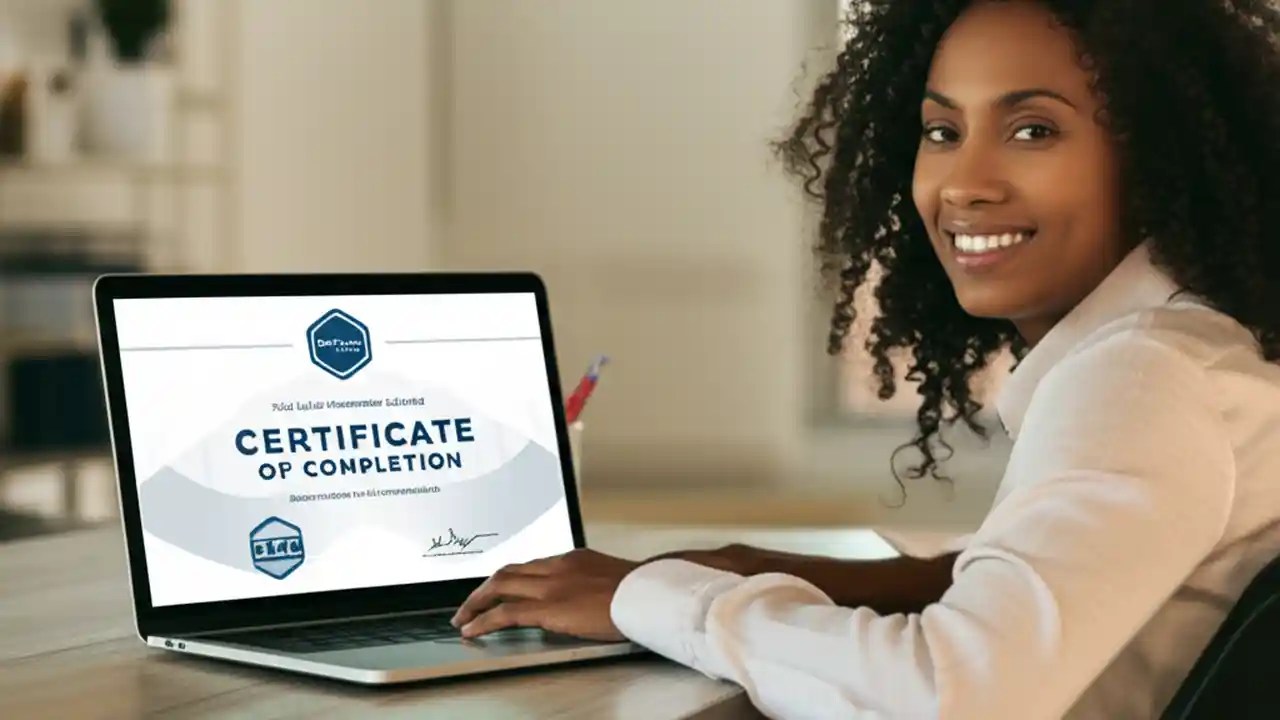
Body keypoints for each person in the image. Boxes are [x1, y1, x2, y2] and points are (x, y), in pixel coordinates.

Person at [450, 1, 1280, 717]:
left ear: (1154, 155)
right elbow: (1042, 583)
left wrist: (645, 598)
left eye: (1033, 129)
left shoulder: (1139, 380)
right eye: (942, 131)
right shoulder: (1186, 356)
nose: (964, 182)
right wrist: (757, 566)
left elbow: (952, 694)